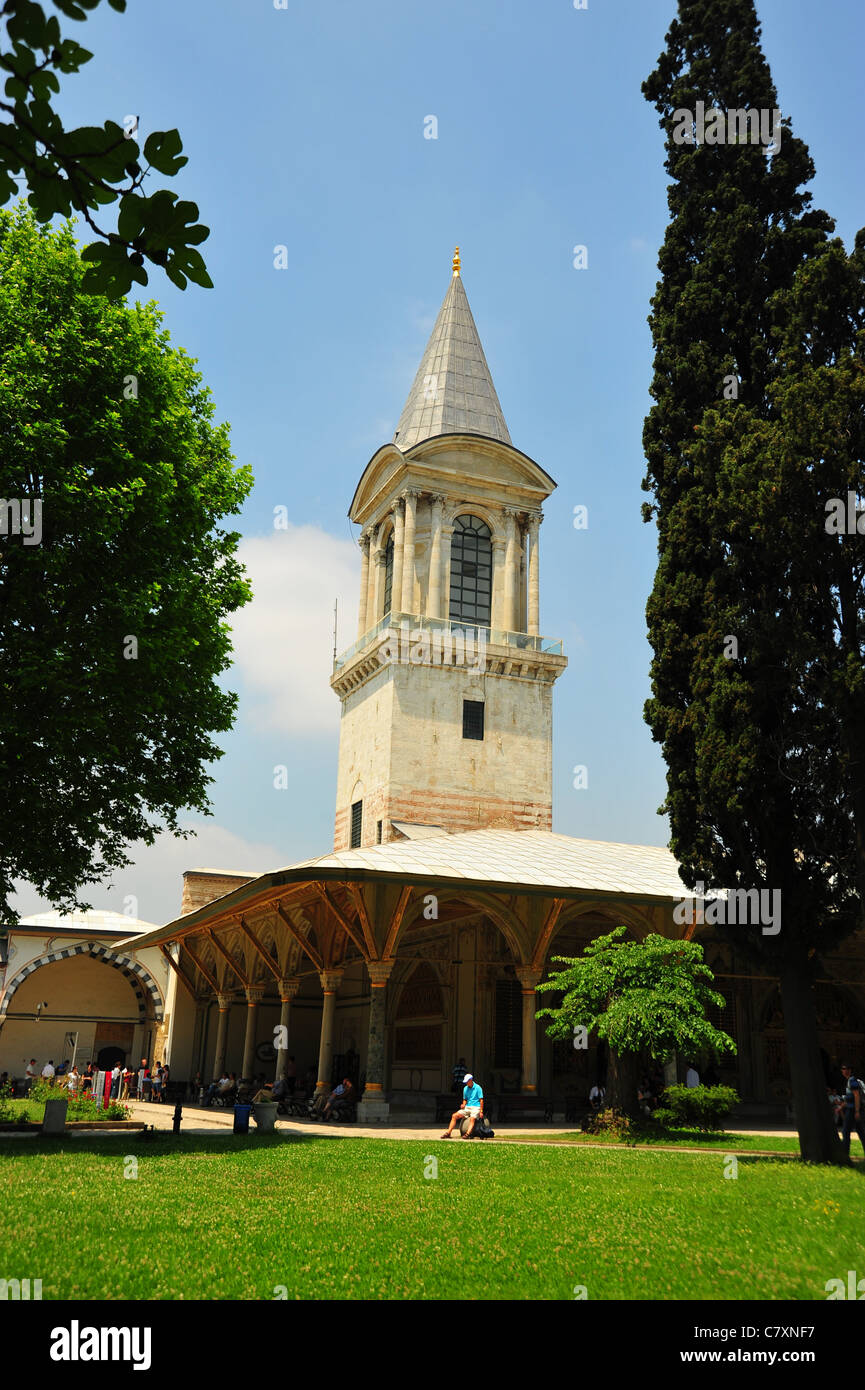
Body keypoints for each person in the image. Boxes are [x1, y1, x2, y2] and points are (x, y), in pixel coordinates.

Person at [442, 1071, 484, 1139]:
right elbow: (465, 1099)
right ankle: (448, 1133)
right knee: (454, 1116)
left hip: (476, 1107)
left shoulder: (478, 1088)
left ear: (471, 1080)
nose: (466, 1083)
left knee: (472, 1119)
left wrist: (481, 1111)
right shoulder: (465, 1088)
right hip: (467, 1107)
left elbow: (481, 1100)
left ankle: (467, 1134)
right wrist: (463, 1104)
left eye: (467, 1081)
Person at [839, 1063, 865, 1157]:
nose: (845, 1070)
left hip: (853, 1111)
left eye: (847, 1069)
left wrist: (857, 1111)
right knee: (861, 1132)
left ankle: (845, 1154)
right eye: (844, 1068)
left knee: (846, 1131)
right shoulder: (850, 1081)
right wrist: (842, 1106)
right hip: (854, 1109)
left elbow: (856, 1095)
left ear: (850, 1070)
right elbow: (851, 1098)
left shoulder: (852, 1080)